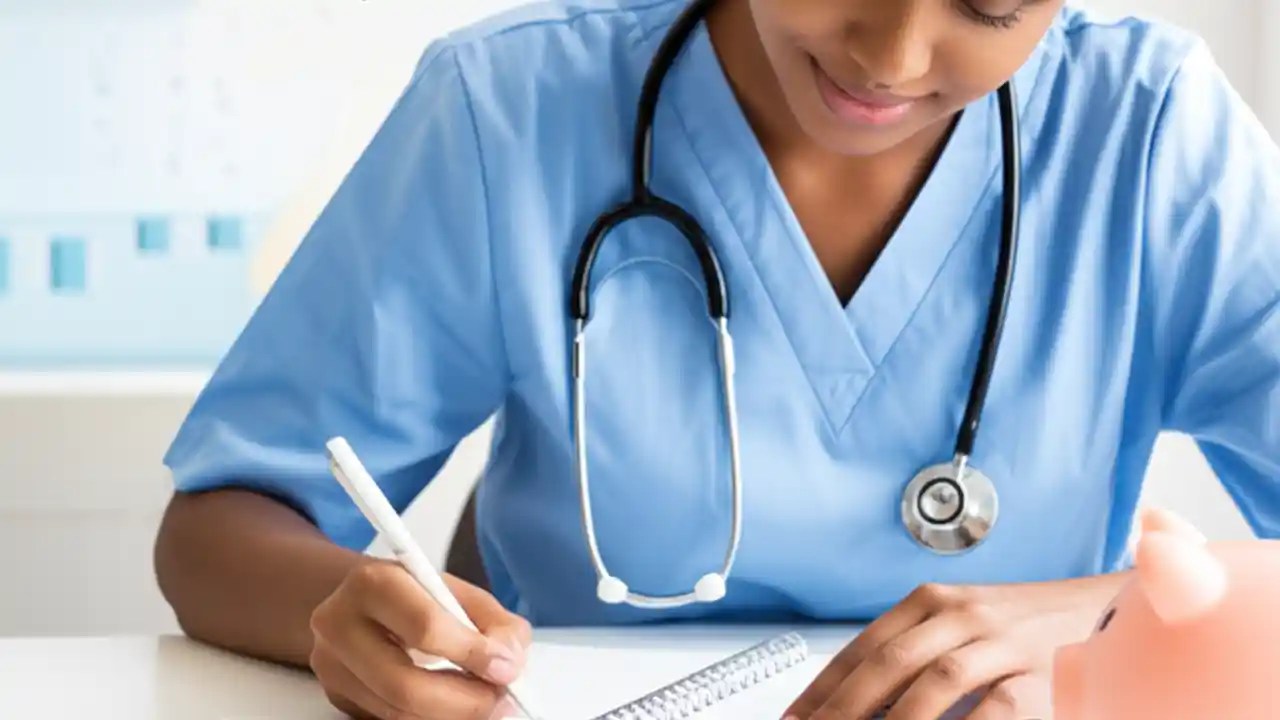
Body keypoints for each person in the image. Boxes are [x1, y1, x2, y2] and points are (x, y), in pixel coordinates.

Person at [152, 0, 1280, 718]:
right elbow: (217, 533)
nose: (889, 54)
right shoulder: (506, 111)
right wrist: (343, 613)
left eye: (989, 0)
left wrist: (1095, 615)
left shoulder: (1150, 134)